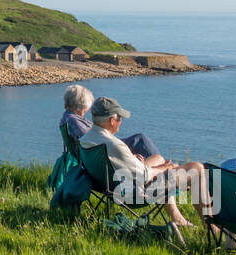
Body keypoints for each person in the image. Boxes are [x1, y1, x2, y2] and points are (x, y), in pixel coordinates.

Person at [60, 86, 207, 227]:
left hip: (108, 183)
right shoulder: (114, 145)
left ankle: (177, 216)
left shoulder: (86, 140)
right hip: (133, 192)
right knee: (197, 168)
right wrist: (165, 168)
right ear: (112, 120)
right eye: (119, 119)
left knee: (158, 157)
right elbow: (144, 175)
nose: (120, 122)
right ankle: (211, 228)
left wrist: (154, 165)